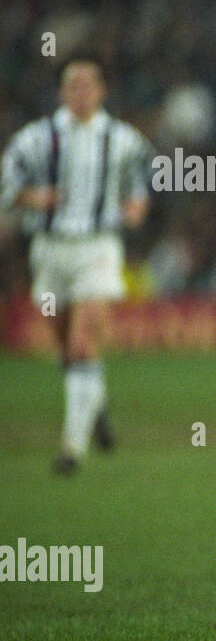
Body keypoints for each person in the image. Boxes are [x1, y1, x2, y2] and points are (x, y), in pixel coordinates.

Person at [1, 56, 153, 474]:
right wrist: (32, 197)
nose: (81, 92)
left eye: (88, 84)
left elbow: (144, 177)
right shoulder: (36, 138)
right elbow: (7, 182)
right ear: (62, 91)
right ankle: (95, 403)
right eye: (73, 84)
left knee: (83, 343)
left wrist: (137, 206)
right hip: (49, 250)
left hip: (98, 248)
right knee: (67, 350)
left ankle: (72, 447)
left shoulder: (122, 139)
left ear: (102, 90)